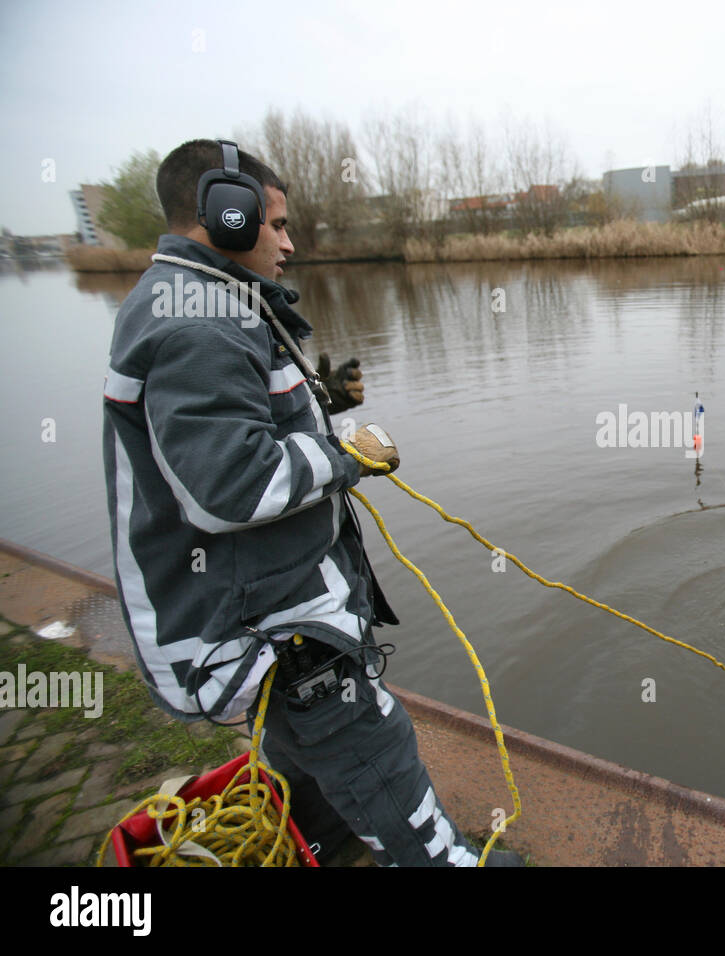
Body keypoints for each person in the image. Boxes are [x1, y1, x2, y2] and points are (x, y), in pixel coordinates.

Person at [101, 139, 516, 866]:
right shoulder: (198, 323)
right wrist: (344, 454)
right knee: (374, 750)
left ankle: (321, 838)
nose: (290, 242)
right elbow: (228, 485)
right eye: (277, 224)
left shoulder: (196, 298)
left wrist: (320, 397)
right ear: (226, 217)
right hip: (265, 629)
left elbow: (230, 428)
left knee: (310, 752)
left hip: (255, 609)